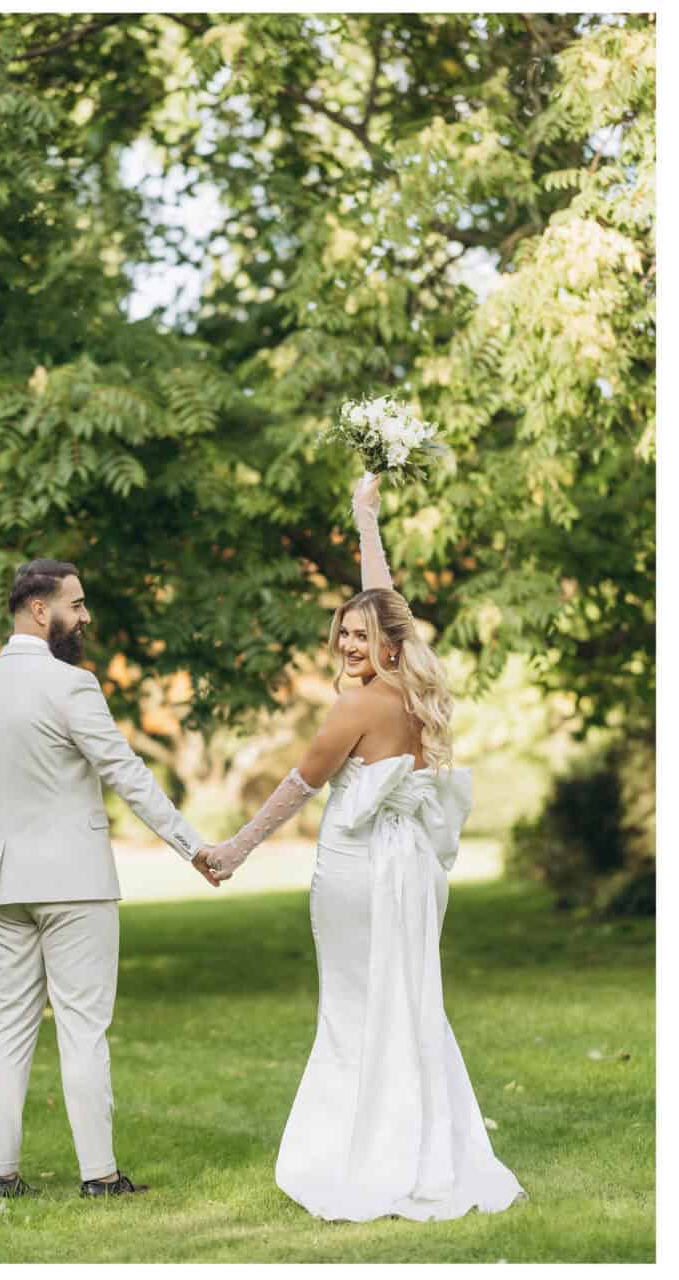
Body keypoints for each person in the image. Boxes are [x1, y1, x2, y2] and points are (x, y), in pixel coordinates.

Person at [199, 474, 526, 1222]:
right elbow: (384, 601)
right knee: (403, 1003)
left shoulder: (356, 704)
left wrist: (236, 850)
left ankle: (361, 1156)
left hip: (358, 870)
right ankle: (416, 1143)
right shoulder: (412, 685)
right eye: (342, 632)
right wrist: (365, 518)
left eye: (360, 636)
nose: (349, 643)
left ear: (386, 643)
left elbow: (298, 785)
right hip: (409, 865)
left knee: (354, 1009)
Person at [0, 558, 220, 1200]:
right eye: (77, 603)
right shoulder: (73, 686)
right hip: (75, 881)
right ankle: (99, 1176)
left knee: (7, 1023)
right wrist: (192, 847)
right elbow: (127, 774)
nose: (86, 615)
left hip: (0, 882)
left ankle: (1, 1176)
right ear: (41, 610)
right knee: (81, 1027)